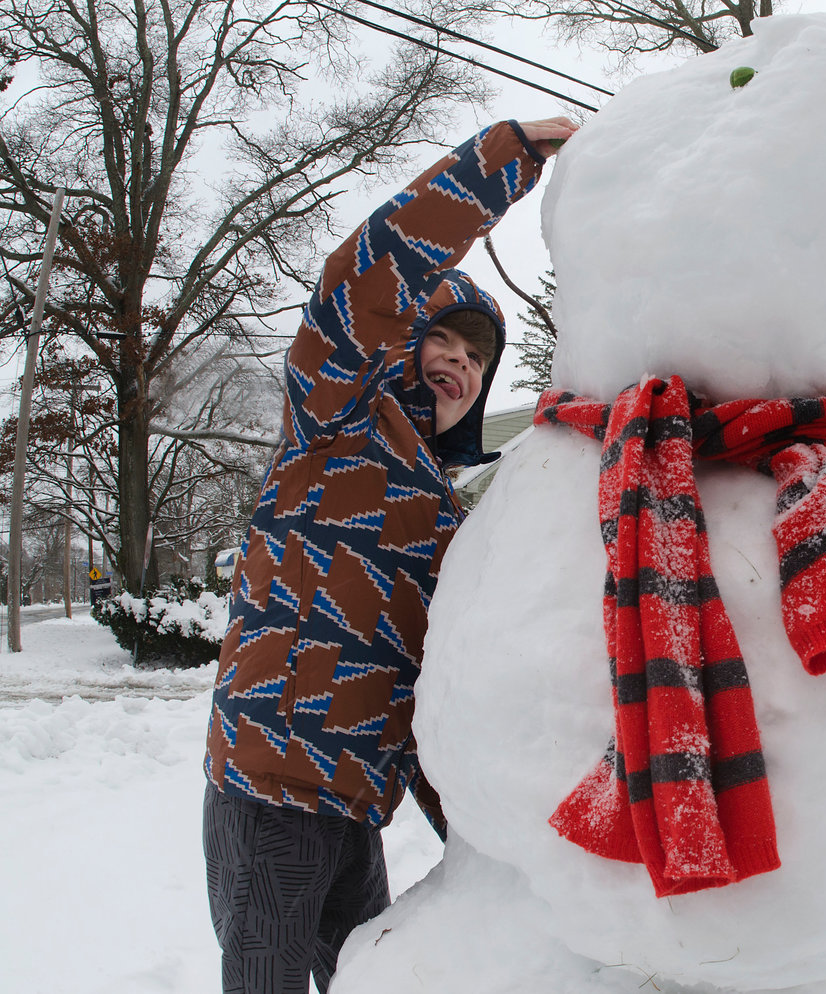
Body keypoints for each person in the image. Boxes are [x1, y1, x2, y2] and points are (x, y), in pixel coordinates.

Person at [200, 115, 579, 994]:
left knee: (372, 978)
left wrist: (494, 849)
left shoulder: (453, 525)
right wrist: (503, 161)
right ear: (400, 344)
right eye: (442, 336)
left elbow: (435, 691)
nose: (459, 360)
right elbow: (364, 282)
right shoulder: (333, 425)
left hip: (358, 811)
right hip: (272, 785)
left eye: (479, 356)